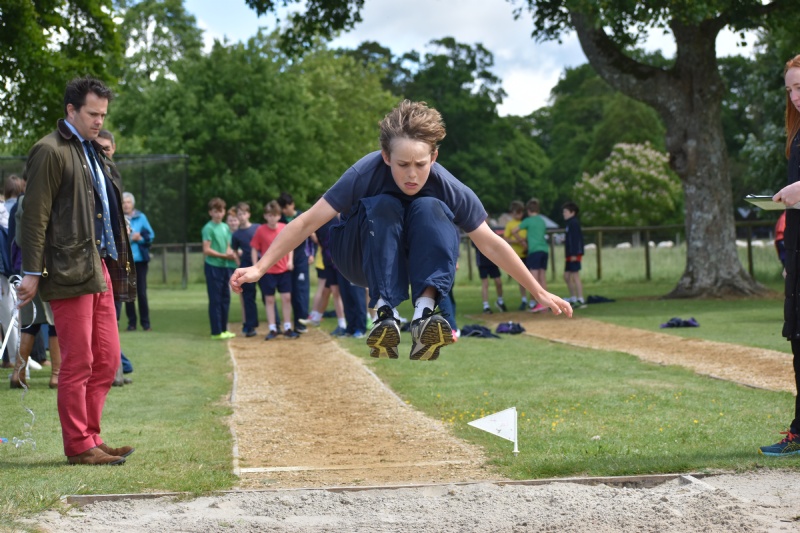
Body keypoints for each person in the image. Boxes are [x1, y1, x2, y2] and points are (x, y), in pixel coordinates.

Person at [231, 100, 572, 361]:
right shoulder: (363, 173)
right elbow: (306, 222)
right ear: (385, 156)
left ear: (434, 157)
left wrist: (537, 290)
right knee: (385, 204)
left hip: (413, 257)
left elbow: (491, 243)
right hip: (358, 255)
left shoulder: (447, 186)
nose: (412, 175)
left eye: (420, 165)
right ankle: (385, 312)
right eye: (402, 165)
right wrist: (260, 267)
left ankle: (424, 314)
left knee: (432, 207)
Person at [17, 76, 136, 465]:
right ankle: (78, 445)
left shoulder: (93, 151)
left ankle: (92, 437)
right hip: (67, 269)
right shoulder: (49, 151)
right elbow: (33, 218)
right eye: (92, 113)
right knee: (78, 361)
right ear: (71, 110)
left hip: (98, 263)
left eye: (103, 114)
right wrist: (32, 271)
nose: (99, 120)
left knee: (107, 359)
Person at [763, 55, 800, 456]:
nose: (794, 97)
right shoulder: (797, 134)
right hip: (797, 249)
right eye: (789, 89)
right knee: (799, 343)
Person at [8, 193, 62, 389]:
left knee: (30, 322)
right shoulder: (52, 198)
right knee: (54, 319)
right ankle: (56, 375)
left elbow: (19, 238)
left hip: (28, 267)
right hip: (50, 266)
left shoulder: (23, 200)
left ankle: (18, 374)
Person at [96, 130, 134, 387]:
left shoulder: (113, 174)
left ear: (114, 148)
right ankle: (111, 374)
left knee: (113, 317)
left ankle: (116, 373)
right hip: (98, 256)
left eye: (107, 148)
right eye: (99, 148)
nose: (104, 152)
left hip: (116, 258)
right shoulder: (91, 173)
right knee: (100, 321)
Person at [250, 201, 299, 340]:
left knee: (286, 298)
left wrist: (290, 261)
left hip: (283, 270)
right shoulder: (260, 230)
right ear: (265, 216)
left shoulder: (284, 227)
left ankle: (288, 327)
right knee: (269, 300)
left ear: (279, 216)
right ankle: (273, 328)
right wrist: (255, 266)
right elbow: (254, 248)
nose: (272, 218)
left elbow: (290, 245)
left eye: (275, 215)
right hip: (268, 271)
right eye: (269, 215)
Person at [277, 192, 313, 334]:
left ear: (292, 204)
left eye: (287, 207)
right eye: (283, 208)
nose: (286, 210)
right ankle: (288, 322)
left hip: (301, 258)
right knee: (288, 291)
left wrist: (311, 254)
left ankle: (301, 322)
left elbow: (312, 237)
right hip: (285, 259)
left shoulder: (302, 216)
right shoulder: (280, 220)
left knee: (301, 291)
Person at [202, 197, 237, 340]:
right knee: (215, 299)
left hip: (225, 267)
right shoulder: (208, 228)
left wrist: (230, 252)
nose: (218, 214)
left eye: (221, 211)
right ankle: (216, 332)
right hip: (213, 267)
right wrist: (224, 256)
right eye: (215, 211)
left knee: (225, 298)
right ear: (210, 212)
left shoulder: (225, 227)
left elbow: (228, 245)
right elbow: (206, 250)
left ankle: (224, 329)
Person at [120, 192, 154, 331]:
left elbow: (151, 236)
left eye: (128, 202)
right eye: (123, 202)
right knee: (129, 293)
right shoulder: (118, 218)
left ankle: (146, 324)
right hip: (125, 261)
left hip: (140, 262)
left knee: (142, 292)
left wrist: (139, 238)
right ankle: (131, 323)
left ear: (132, 204)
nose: (126, 204)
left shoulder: (141, 217)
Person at [512, 198, 550, 313]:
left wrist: (521, 241)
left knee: (534, 279)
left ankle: (539, 303)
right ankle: (546, 303)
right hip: (544, 250)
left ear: (528, 210)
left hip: (534, 251)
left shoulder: (528, 221)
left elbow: (514, 231)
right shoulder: (542, 221)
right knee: (542, 278)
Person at [231, 202, 260, 337]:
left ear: (248, 214)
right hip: (246, 267)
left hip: (260, 265)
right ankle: (250, 326)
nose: (241, 217)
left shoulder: (257, 228)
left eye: (243, 214)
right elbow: (235, 251)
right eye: (239, 214)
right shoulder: (236, 235)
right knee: (248, 297)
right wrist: (239, 264)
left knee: (268, 296)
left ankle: (275, 324)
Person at [503, 200, 529, 310]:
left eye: (520, 212)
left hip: (526, 253)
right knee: (521, 278)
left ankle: (533, 300)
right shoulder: (510, 224)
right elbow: (506, 238)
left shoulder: (525, 223)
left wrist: (525, 242)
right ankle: (524, 299)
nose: (518, 215)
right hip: (515, 255)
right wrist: (517, 242)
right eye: (516, 213)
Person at [562, 202, 586, 309]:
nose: (564, 214)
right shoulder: (569, 224)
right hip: (569, 255)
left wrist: (575, 254)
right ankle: (573, 298)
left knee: (575, 276)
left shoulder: (574, 223)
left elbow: (577, 240)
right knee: (566, 276)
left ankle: (580, 299)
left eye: (566, 212)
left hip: (574, 255)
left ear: (572, 212)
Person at [474, 244, 505, 314]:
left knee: (499, 282)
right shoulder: (476, 233)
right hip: (482, 263)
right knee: (485, 283)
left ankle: (500, 301)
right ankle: (486, 306)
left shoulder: (493, 232)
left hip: (492, 261)